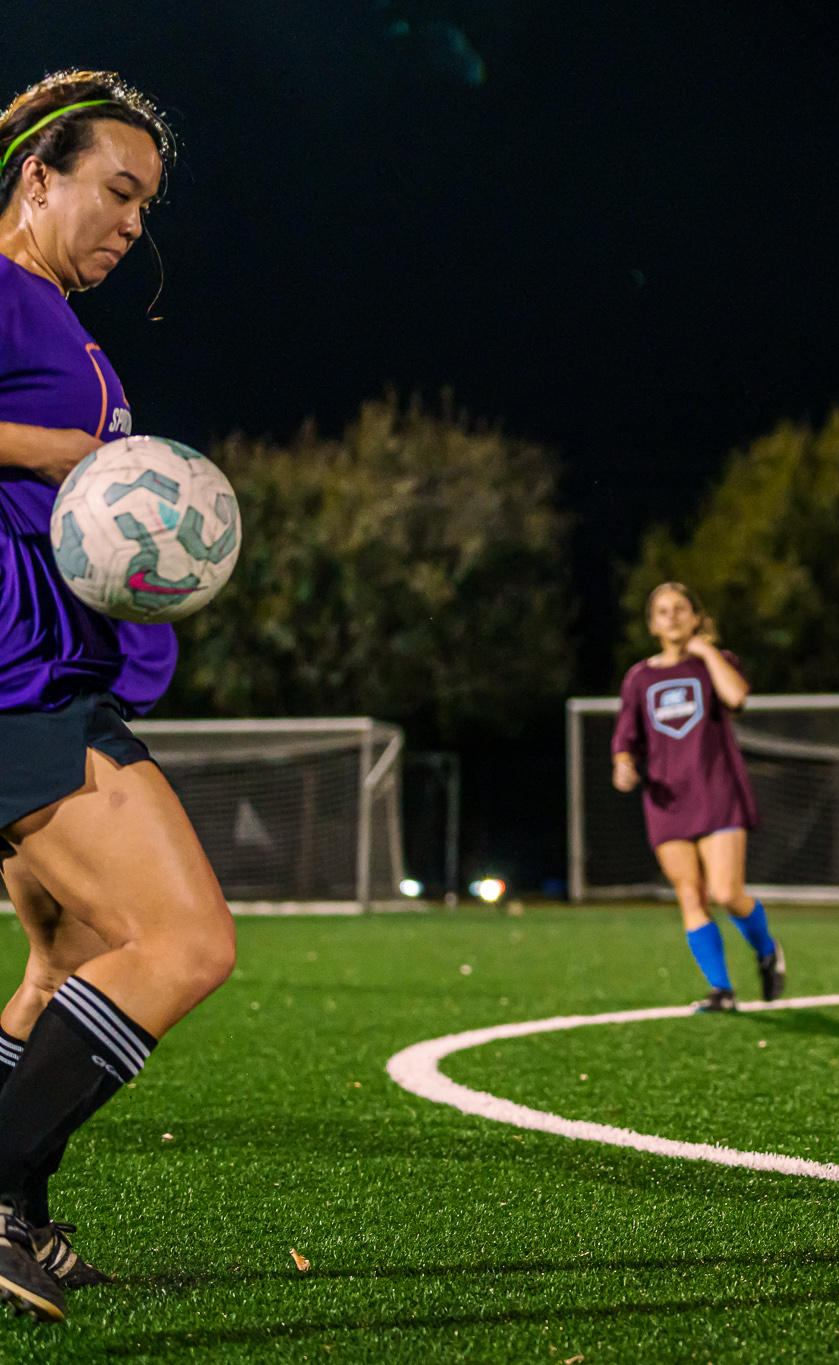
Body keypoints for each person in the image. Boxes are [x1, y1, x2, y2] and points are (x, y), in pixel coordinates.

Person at [0, 71, 235, 1322]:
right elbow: (46, 459)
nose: (133, 225)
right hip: (17, 682)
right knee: (186, 943)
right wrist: (62, 454)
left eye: (145, 207)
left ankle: (15, 1219)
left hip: (47, 671)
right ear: (39, 178)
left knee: (70, 957)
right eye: (117, 191)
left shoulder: (54, 321)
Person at [612, 583, 785, 1010]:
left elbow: (737, 696)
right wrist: (623, 765)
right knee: (690, 894)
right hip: (667, 800)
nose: (671, 617)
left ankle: (767, 951)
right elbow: (625, 739)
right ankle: (721, 990)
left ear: (695, 617)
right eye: (663, 611)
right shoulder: (639, 678)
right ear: (652, 623)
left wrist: (705, 652)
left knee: (726, 892)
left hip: (715, 792)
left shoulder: (716, 663)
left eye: (680, 609)